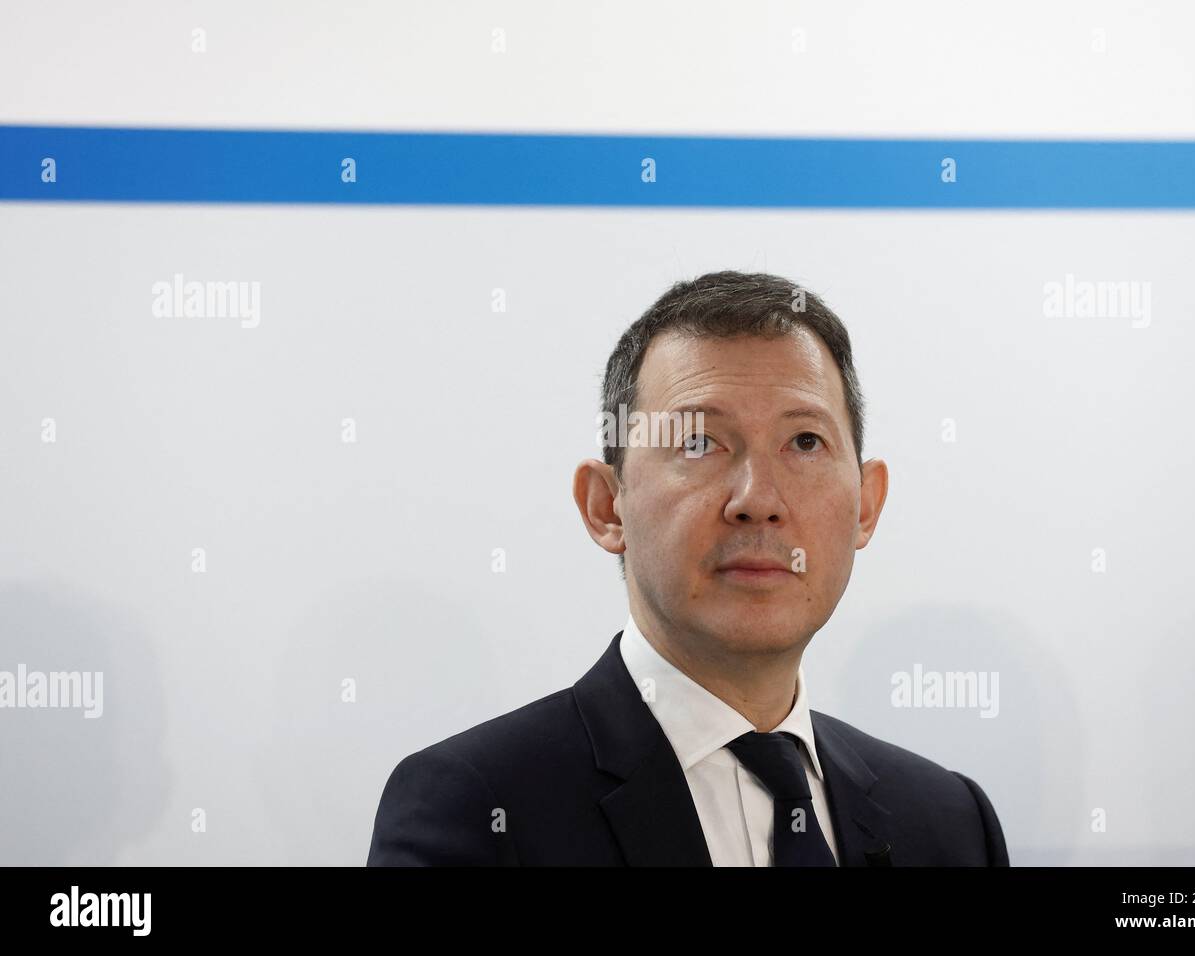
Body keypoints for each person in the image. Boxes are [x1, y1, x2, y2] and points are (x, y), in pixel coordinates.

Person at [366, 270, 1009, 866]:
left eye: (805, 442)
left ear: (867, 505)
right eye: (698, 443)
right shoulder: (476, 808)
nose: (757, 500)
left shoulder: (948, 823)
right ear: (606, 506)